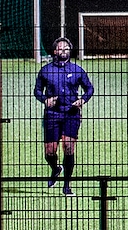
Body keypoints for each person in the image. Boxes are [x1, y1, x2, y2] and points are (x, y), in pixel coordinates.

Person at [32, 36, 94, 195]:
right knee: (50, 151)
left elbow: (89, 89)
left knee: (68, 146)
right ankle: (55, 168)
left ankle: (67, 185)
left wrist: (82, 100)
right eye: (60, 48)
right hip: (52, 114)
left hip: (71, 114)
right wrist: (45, 100)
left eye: (66, 49)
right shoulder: (46, 70)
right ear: (54, 51)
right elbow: (37, 91)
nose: (64, 51)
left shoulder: (77, 70)